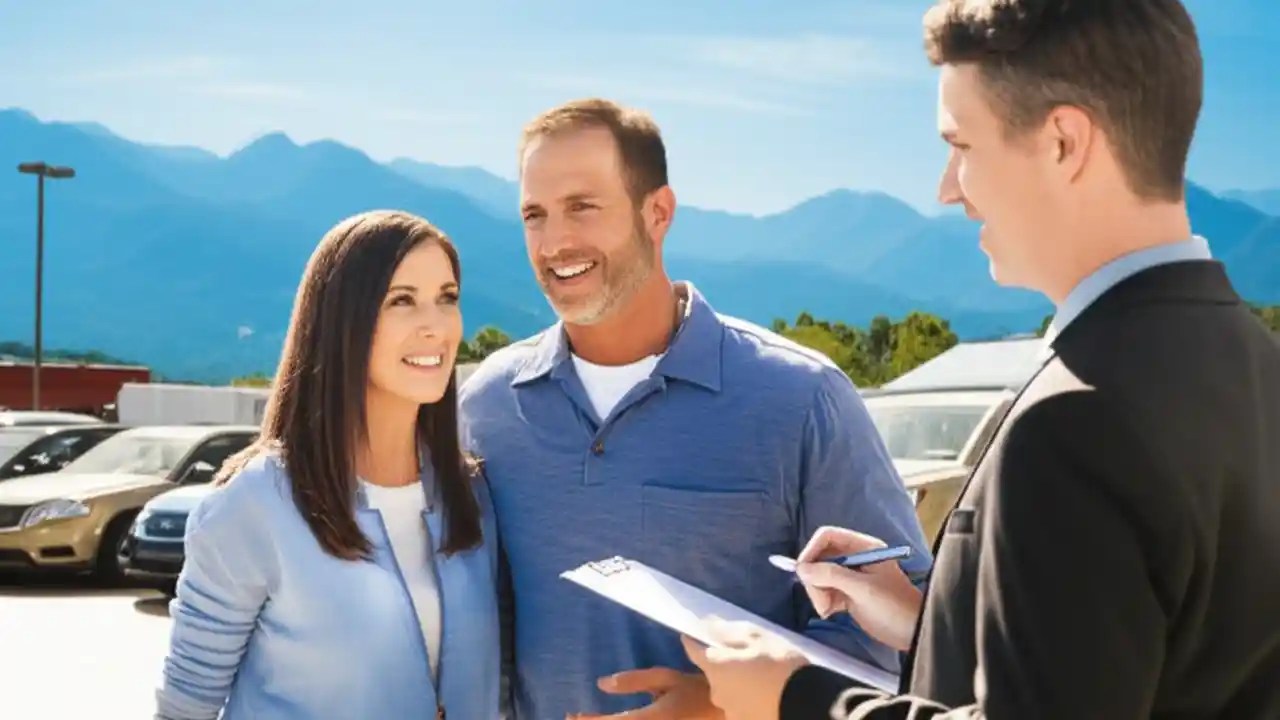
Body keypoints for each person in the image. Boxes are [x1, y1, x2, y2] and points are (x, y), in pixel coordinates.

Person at [683, 0, 1280, 718]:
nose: (946, 188)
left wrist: (791, 696)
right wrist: (932, 617)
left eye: (961, 146)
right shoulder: (1251, 362)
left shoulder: (1075, 420)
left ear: (1064, 142)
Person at [457, 98, 932, 719]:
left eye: (582, 207)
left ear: (658, 213)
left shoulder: (802, 398)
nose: (554, 242)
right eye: (534, 215)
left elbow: (897, 634)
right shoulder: (486, 405)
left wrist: (723, 708)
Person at [154, 210, 502, 719]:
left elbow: (501, 688)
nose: (436, 325)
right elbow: (185, 708)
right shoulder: (257, 501)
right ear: (343, 320)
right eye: (401, 300)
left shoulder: (470, 494)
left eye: (447, 298)